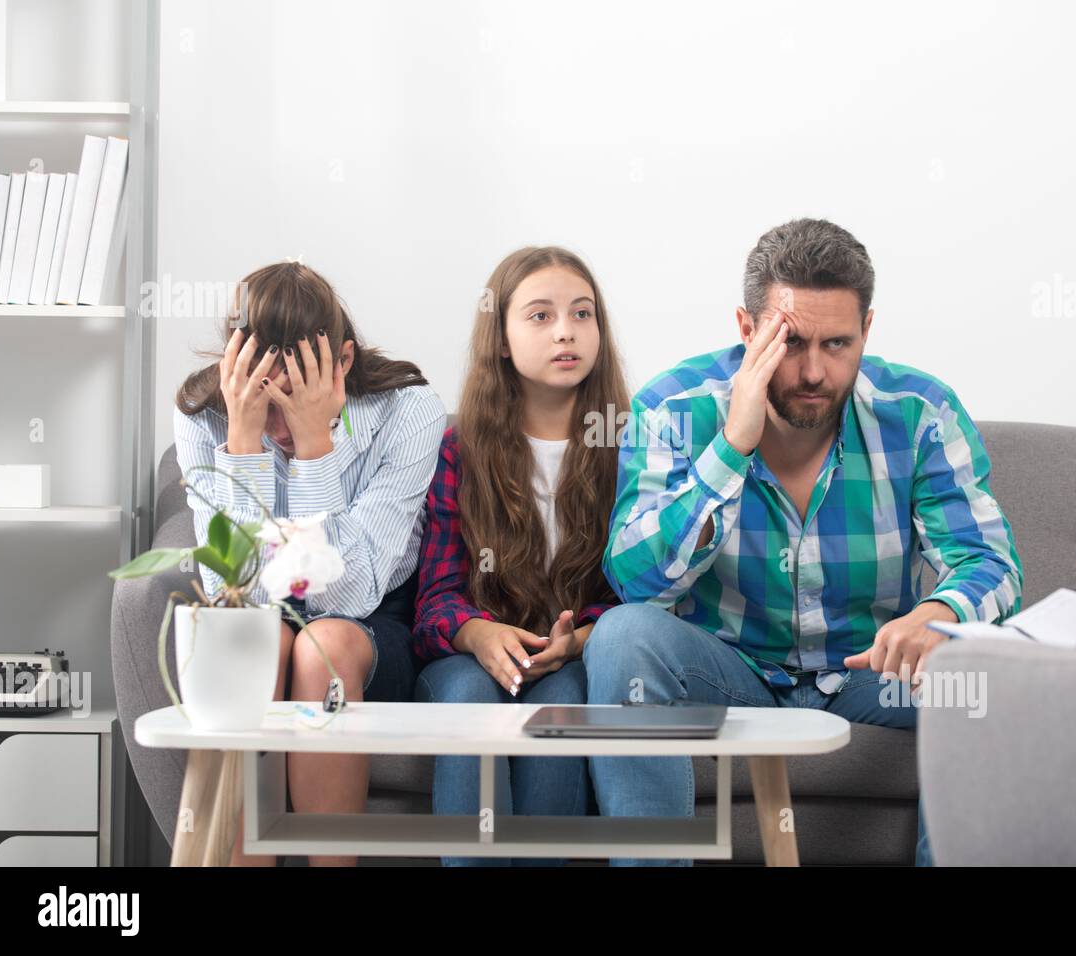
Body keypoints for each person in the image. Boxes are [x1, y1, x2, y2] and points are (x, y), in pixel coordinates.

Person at [585, 218, 1023, 865]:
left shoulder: (921, 411)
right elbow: (637, 580)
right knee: (622, 636)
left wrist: (939, 613)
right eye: (791, 342)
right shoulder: (674, 407)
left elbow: (989, 560)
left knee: (988, 678)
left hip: (867, 673)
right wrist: (731, 448)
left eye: (839, 344)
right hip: (729, 669)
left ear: (868, 331)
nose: (815, 371)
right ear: (747, 328)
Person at [174, 261, 445, 865]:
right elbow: (231, 595)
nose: (279, 426)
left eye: (292, 397)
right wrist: (243, 449)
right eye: (262, 401)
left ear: (342, 363)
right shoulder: (206, 416)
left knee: (321, 645)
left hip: (372, 620)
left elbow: (343, 599)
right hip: (260, 612)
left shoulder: (408, 411)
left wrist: (316, 447)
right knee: (249, 642)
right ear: (234, 371)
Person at [412, 246, 628, 865]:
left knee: (560, 703)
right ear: (501, 339)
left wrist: (580, 639)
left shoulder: (628, 443)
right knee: (468, 701)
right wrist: (478, 634)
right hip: (469, 661)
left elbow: (638, 594)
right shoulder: (461, 447)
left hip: (569, 656)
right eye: (540, 316)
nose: (566, 331)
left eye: (582, 314)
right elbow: (435, 600)